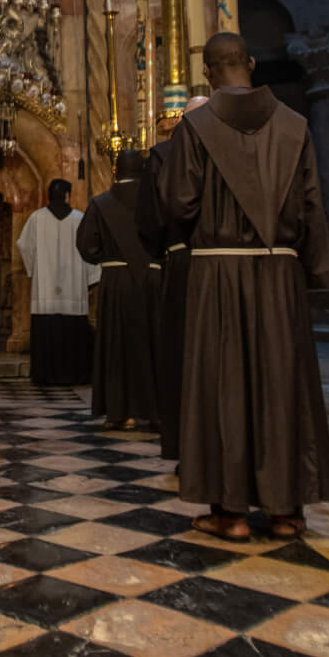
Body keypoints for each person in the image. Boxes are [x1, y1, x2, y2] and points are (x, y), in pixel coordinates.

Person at [154, 33, 329, 542]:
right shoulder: (295, 125)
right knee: (283, 383)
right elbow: (312, 205)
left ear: (209, 73)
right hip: (280, 272)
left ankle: (231, 513)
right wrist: (318, 272)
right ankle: (287, 513)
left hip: (217, 272)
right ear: (251, 64)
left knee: (223, 385)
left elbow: (179, 206)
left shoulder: (194, 126)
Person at [138, 94, 209, 460]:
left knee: (183, 357)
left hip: (182, 265)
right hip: (232, 268)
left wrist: (160, 252)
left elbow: (150, 222)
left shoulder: (164, 155)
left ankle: (186, 448)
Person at [81, 148, 159, 429]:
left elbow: (87, 246)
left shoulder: (102, 203)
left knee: (116, 344)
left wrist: (107, 256)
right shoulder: (156, 200)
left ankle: (117, 411)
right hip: (151, 280)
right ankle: (151, 411)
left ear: (116, 171)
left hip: (115, 282)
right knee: (150, 343)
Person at [17, 179, 98, 386]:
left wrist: (35, 270)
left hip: (45, 293)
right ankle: (75, 375)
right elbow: (92, 249)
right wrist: (89, 282)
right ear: (68, 196)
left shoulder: (37, 218)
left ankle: (45, 375)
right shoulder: (80, 219)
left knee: (47, 335)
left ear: (48, 196)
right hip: (74, 290)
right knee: (73, 337)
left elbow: (24, 245)